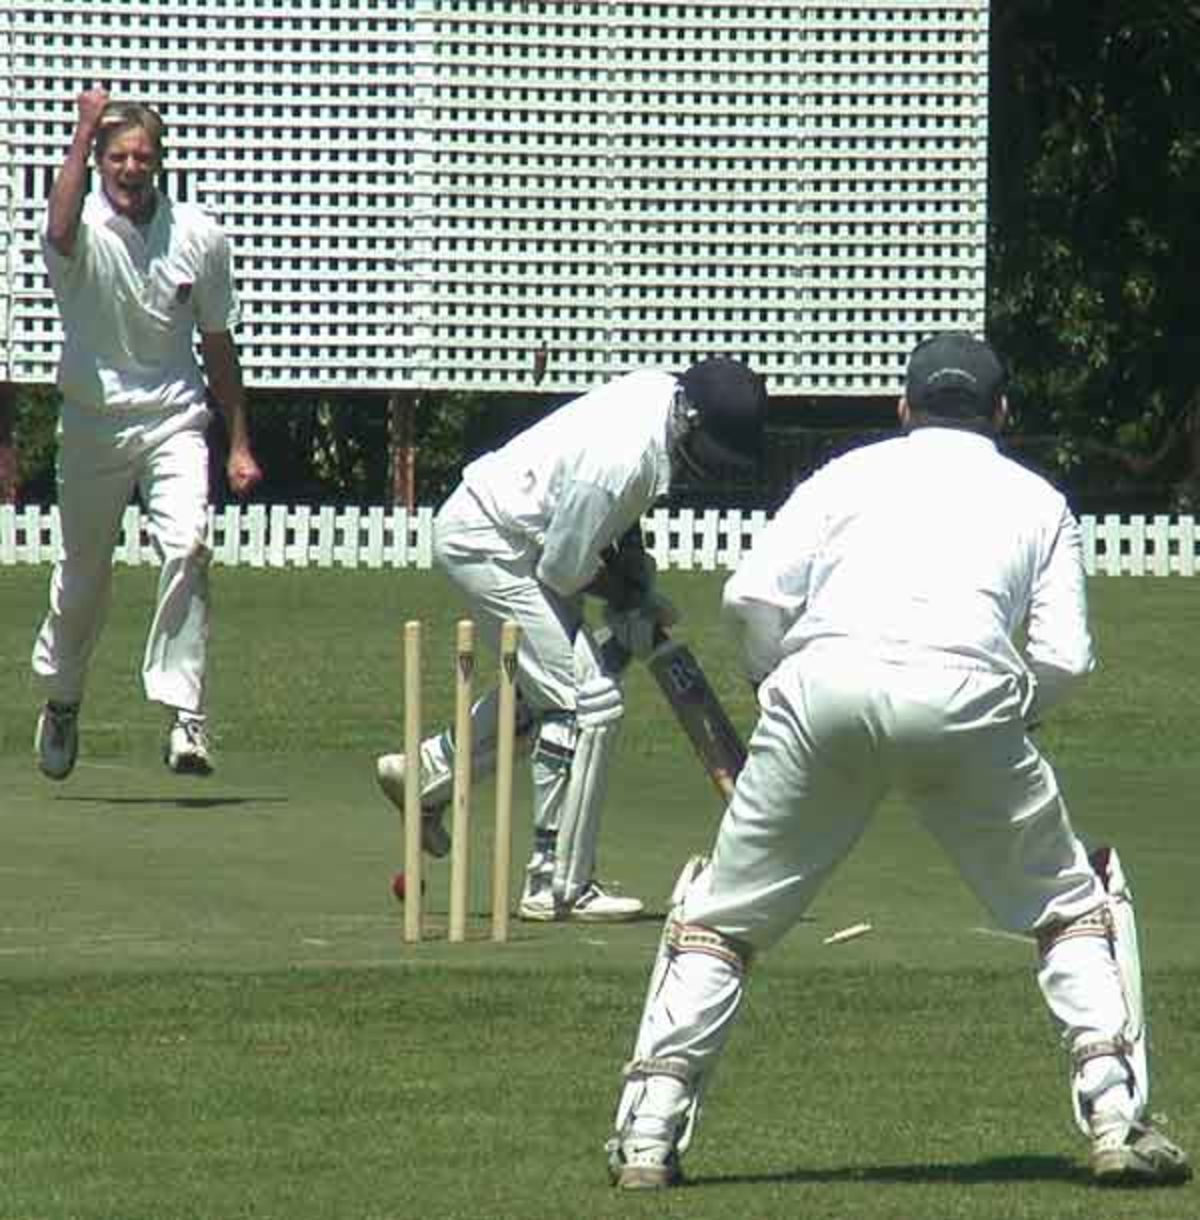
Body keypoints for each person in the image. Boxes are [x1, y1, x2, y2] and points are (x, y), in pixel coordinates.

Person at [605, 332, 1192, 1188]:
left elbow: (749, 596)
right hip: (968, 694)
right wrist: (1005, 720)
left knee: (723, 918)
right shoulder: (1037, 499)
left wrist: (774, 680)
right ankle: (1114, 1115)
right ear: (1001, 413)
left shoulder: (845, 476)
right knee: (1069, 903)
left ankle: (649, 1133)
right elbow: (1064, 658)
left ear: (903, 406)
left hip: (823, 690)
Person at [375, 358, 768, 923]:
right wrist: (627, 595)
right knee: (587, 701)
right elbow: (564, 570)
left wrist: (634, 576)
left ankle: (425, 773)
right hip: (492, 546)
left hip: (518, 535)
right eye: (707, 449)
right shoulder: (621, 461)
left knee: (551, 692)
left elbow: (614, 524)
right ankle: (557, 884)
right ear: (689, 419)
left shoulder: (661, 398)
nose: (708, 467)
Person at [32, 88, 262, 780]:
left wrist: (239, 441)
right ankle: (63, 698)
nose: (131, 169)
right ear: (99, 163)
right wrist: (80, 130)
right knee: (82, 578)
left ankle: (184, 714)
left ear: (158, 164)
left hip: (174, 419)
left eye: (143, 157)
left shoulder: (199, 236)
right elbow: (61, 227)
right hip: (93, 421)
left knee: (189, 544)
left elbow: (218, 345)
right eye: (118, 157)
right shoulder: (81, 227)